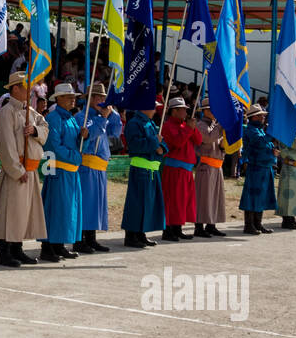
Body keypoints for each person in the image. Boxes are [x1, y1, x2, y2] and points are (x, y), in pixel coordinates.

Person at [0, 71, 47, 265]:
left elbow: (45, 129)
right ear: (15, 88)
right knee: (11, 210)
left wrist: (35, 131)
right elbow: (6, 144)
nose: (30, 92)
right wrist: (17, 170)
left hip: (30, 169)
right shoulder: (6, 113)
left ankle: (17, 248)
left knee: (23, 212)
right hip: (18, 170)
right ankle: (4, 250)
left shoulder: (31, 112)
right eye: (26, 88)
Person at [41, 82, 85, 261]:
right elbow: (53, 146)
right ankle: (47, 247)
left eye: (73, 97)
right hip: (57, 169)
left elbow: (78, 145)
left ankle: (59, 245)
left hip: (70, 171)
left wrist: (85, 138)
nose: (73, 100)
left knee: (67, 210)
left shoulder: (72, 119)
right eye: (69, 97)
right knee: (55, 209)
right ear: (58, 99)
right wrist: (76, 157)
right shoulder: (53, 118)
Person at [77, 83, 118, 253]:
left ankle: (91, 238)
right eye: (99, 97)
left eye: (104, 98)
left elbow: (115, 131)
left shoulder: (105, 115)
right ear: (91, 98)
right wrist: (102, 118)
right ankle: (79, 240)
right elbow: (90, 134)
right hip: (87, 165)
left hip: (100, 166)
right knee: (86, 204)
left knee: (96, 205)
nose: (102, 100)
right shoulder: (83, 116)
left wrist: (110, 113)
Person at [160, 96, 202, 242]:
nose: (185, 112)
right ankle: (168, 230)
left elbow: (198, 141)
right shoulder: (167, 126)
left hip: (186, 169)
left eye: (185, 109)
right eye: (182, 110)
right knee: (173, 200)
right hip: (174, 169)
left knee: (183, 201)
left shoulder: (186, 125)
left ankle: (178, 228)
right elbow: (177, 143)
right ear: (174, 111)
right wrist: (188, 129)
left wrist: (193, 128)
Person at [121, 105, 164, 248]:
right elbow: (135, 145)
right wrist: (155, 144)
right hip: (140, 168)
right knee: (137, 204)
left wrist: (160, 147)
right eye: (153, 107)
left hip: (151, 168)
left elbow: (161, 141)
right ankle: (131, 236)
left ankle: (141, 233)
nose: (155, 110)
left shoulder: (150, 122)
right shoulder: (134, 123)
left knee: (147, 204)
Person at [239, 105, 276, 235]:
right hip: (255, 167)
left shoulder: (260, 130)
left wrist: (273, 151)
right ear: (253, 117)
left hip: (264, 167)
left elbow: (266, 143)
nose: (263, 117)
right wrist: (271, 132)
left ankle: (257, 224)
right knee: (252, 197)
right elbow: (260, 142)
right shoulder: (250, 129)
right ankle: (249, 225)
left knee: (261, 196)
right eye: (260, 115)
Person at [192, 99, 227, 237]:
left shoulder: (215, 126)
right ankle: (199, 226)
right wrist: (221, 127)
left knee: (215, 197)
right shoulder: (201, 125)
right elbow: (207, 138)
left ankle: (211, 224)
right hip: (206, 165)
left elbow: (219, 145)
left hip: (217, 165)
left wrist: (223, 146)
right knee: (203, 197)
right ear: (205, 111)